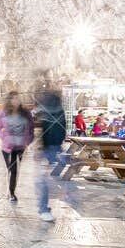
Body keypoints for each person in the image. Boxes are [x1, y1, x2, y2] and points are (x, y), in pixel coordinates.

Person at [32, 85, 80, 223]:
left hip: (50, 147)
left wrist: (39, 149)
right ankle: (45, 208)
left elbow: (39, 129)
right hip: (53, 147)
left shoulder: (44, 110)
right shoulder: (57, 111)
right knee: (45, 180)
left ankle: (44, 208)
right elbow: (60, 130)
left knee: (43, 180)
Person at [0, 92, 34, 204]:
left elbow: (31, 129)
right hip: (8, 147)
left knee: (16, 170)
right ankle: (11, 193)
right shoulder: (3, 113)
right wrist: (4, 137)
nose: (16, 101)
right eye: (14, 99)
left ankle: (12, 191)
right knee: (12, 169)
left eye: (18, 98)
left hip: (21, 146)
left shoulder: (26, 114)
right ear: (9, 101)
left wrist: (28, 140)